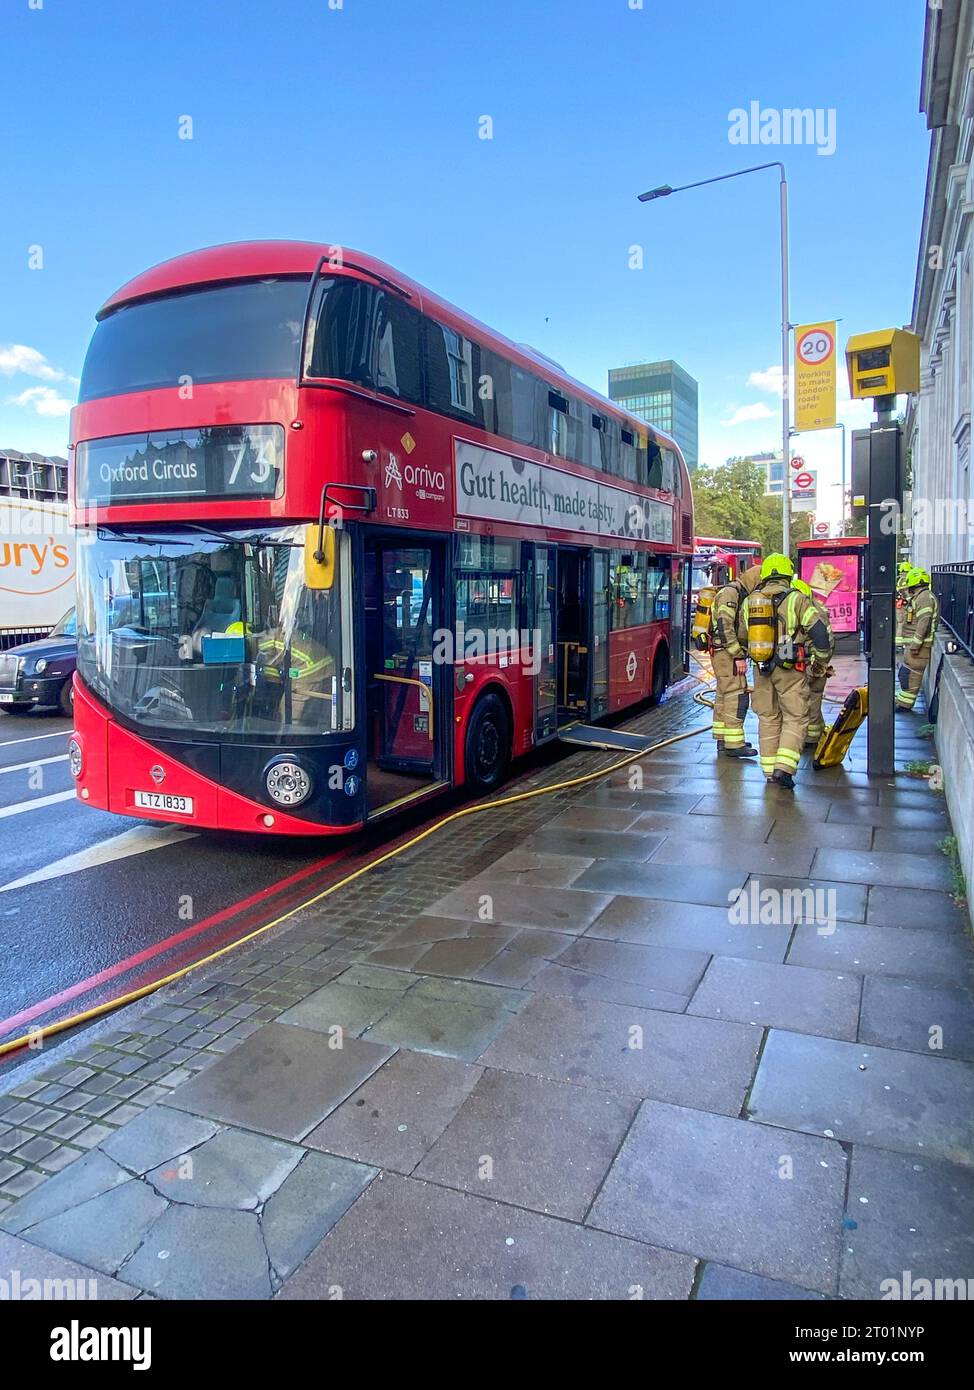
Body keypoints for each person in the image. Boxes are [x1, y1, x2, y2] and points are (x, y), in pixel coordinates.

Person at [744, 553, 833, 790]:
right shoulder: (798, 599)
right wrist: (821, 662)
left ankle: (769, 772)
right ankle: (784, 768)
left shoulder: (751, 601)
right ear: (787, 574)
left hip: (760, 667)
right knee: (795, 716)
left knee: (768, 717)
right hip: (790, 668)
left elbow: (744, 637)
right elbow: (820, 633)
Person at [709, 563, 762, 757]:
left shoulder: (736, 593)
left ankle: (723, 739)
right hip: (727, 653)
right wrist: (738, 655)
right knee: (736, 694)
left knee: (724, 694)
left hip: (723, 651)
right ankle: (734, 744)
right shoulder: (731, 594)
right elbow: (725, 625)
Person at [791, 577, 835, 745]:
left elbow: (824, 641)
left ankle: (811, 737)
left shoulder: (811, 612)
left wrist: (817, 666)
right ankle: (815, 732)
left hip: (813, 662)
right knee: (813, 698)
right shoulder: (817, 609)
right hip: (817, 660)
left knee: (809, 699)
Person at [895, 567, 940, 712]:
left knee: (910, 675)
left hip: (920, 647)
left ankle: (905, 705)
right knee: (906, 674)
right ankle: (902, 702)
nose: (908, 590)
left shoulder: (924, 598)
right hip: (916, 646)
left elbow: (924, 622)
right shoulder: (921, 596)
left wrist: (916, 643)